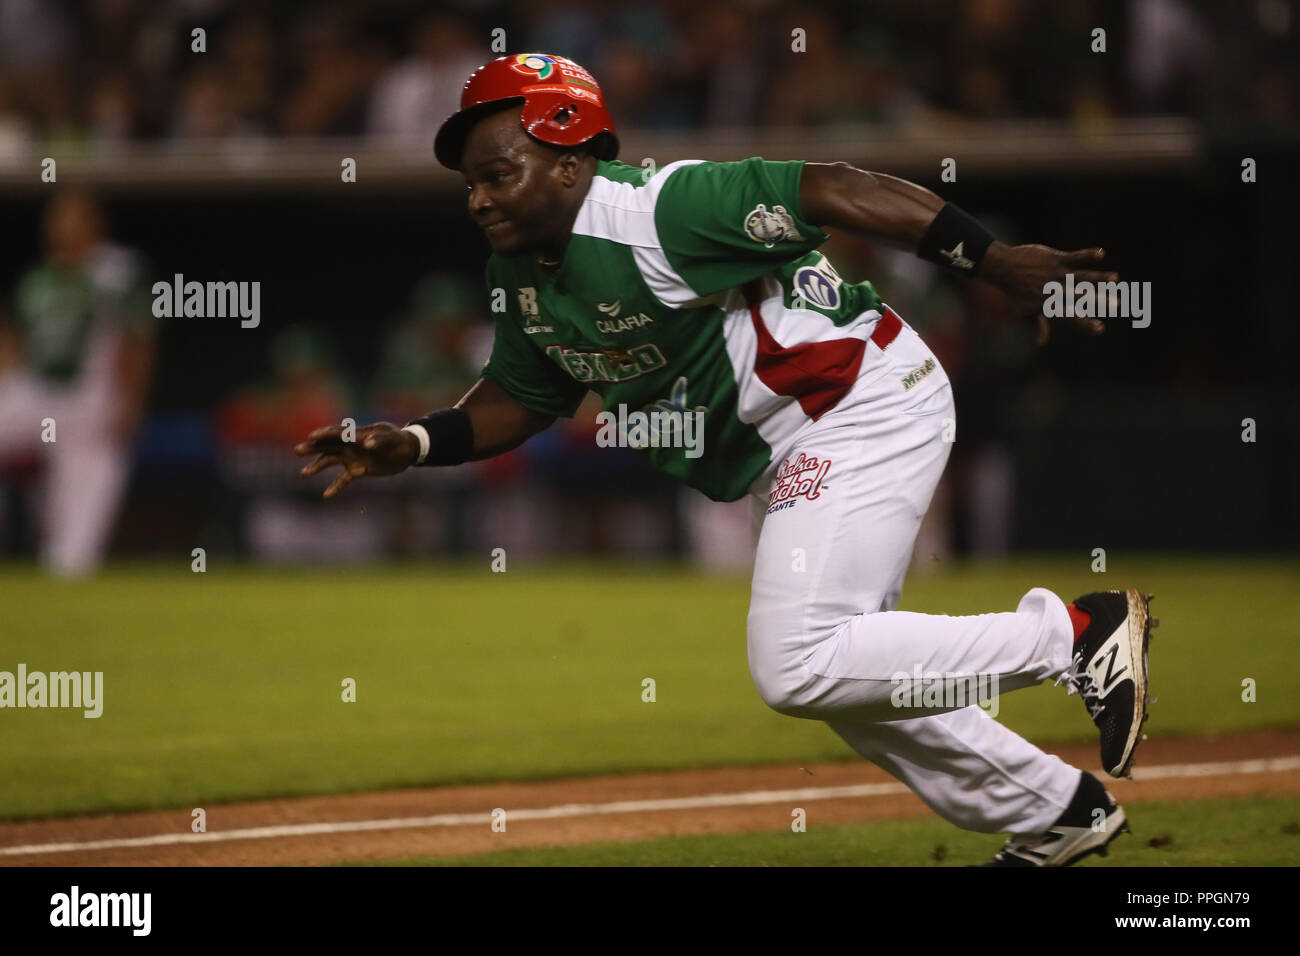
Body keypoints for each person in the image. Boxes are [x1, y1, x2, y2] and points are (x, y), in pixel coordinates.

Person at [295, 54, 1156, 866]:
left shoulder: (661, 208)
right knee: (852, 679)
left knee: (797, 661)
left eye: (497, 173)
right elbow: (524, 395)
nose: (478, 199)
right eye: (470, 183)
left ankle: (1076, 636)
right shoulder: (523, 270)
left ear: (568, 159)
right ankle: (1058, 813)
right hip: (794, 437)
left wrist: (995, 261)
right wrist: (409, 441)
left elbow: (833, 188)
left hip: (856, 402)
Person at [0, 189, 154, 576]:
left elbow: (138, 340)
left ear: (94, 224)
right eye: (57, 218)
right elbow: (13, 336)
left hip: (90, 404)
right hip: (35, 393)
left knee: (73, 555)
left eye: (74, 218)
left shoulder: (116, 273)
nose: (64, 227)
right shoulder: (38, 279)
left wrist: (129, 403)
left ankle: (63, 574)